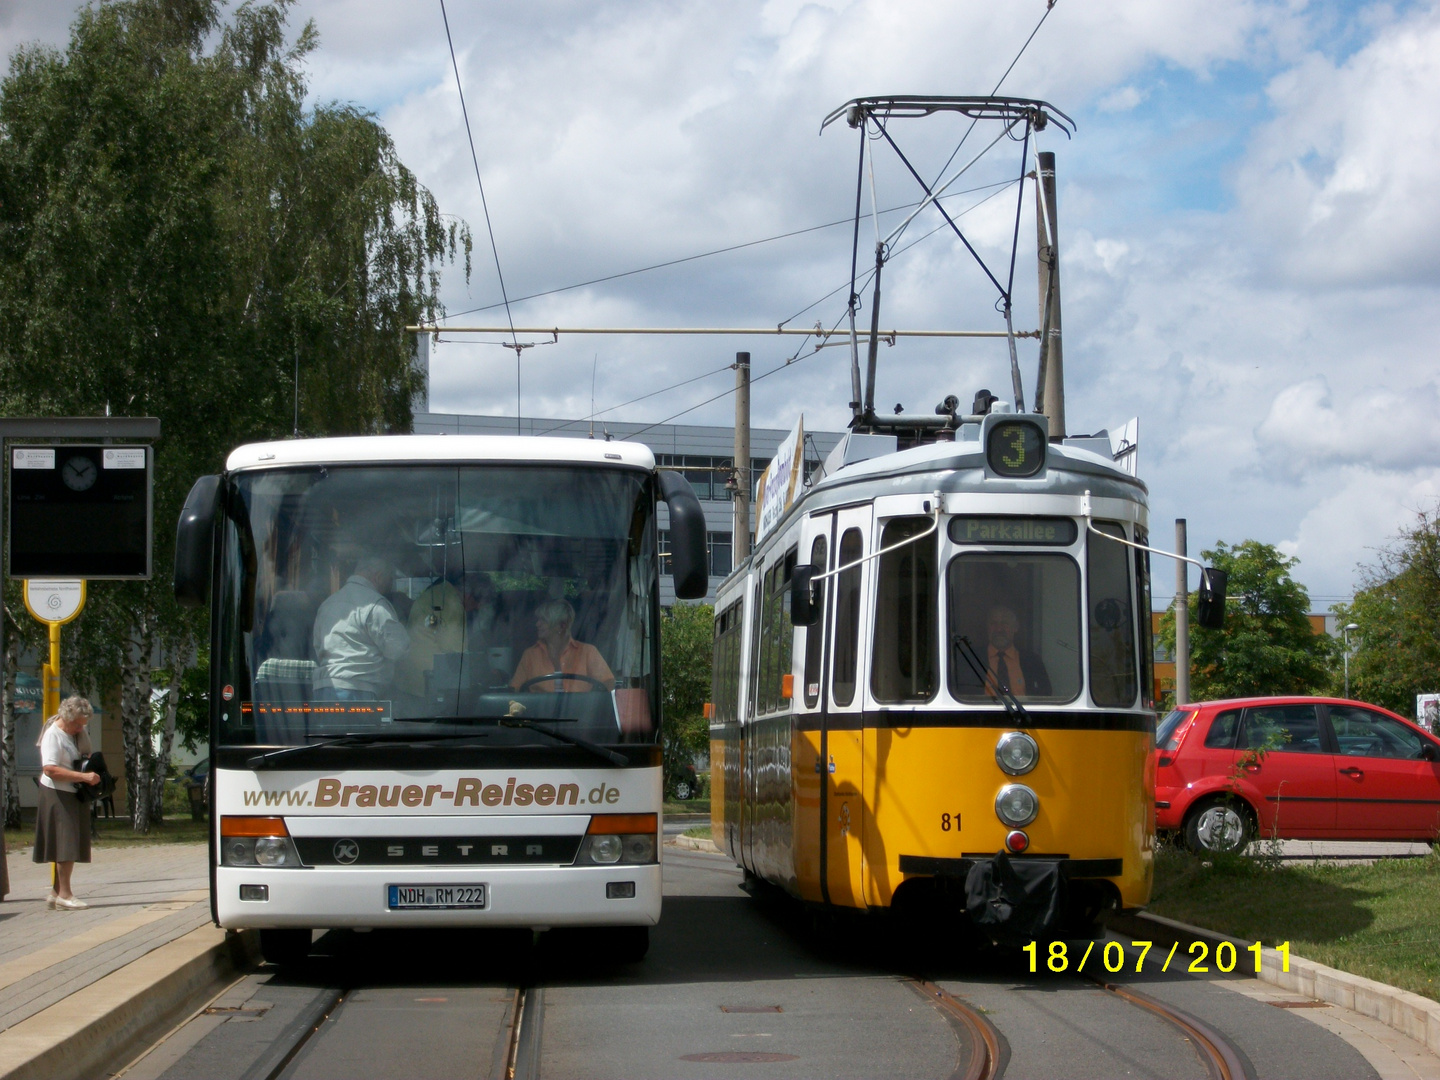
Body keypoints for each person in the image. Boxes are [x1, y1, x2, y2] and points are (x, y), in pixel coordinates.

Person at [312, 556, 410, 700]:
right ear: (379, 577)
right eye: (390, 580)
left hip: (324, 690)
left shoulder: (327, 604)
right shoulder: (375, 604)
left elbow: (318, 646)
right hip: (358, 691)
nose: (390, 587)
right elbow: (398, 648)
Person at [35, 696, 100, 910]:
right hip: (57, 793)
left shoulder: (75, 734)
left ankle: (56, 893)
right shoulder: (53, 735)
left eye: (84, 724)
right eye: (78, 724)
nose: (81, 729)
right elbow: (50, 769)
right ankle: (65, 894)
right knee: (66, 843)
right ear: (67, 718)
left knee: (67, 842)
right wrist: (83, 777)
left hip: (72, 792)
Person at [510, 599, 615, 692]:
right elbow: (514, 689)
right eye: (538, 620)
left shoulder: (588, 652)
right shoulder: (530, 655)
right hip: (539, 708)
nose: (537, 624)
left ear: (561, 626)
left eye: (543, 620)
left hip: (580, 708)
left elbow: (608, 684)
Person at [956, 605, 1052, 700]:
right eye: (993, 623)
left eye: (1005, 624)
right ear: (987, 627)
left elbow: (1045, 695)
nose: (999, 629)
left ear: (1015, 627)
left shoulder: (1032, 661)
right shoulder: (970, 659)